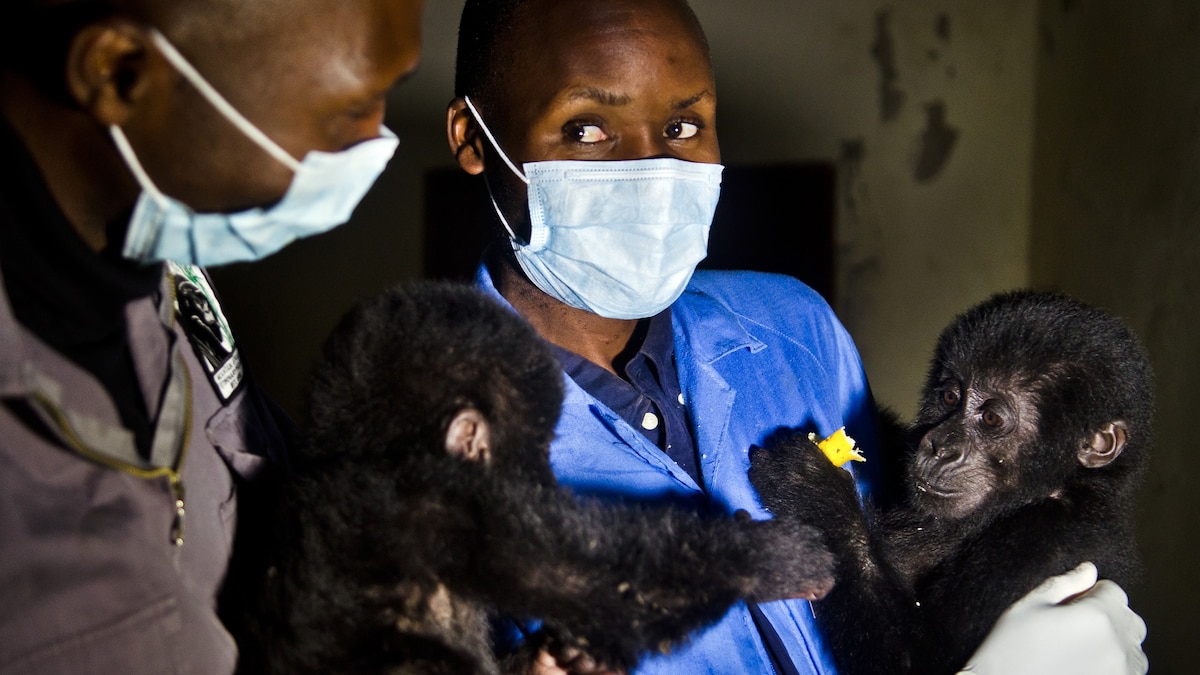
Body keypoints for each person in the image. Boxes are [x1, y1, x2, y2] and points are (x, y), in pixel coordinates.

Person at [443, 0, 1148, 673]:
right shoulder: (425, 456)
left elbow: (900, 534)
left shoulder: (793, 327)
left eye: (685, 125)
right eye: (587, 128)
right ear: (474, 140)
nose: (652, 169)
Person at [0, 0, 422, 672]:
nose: (373, 143)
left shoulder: (155, 254)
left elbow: (244, 478)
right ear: (119, 73)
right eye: (348, 109)